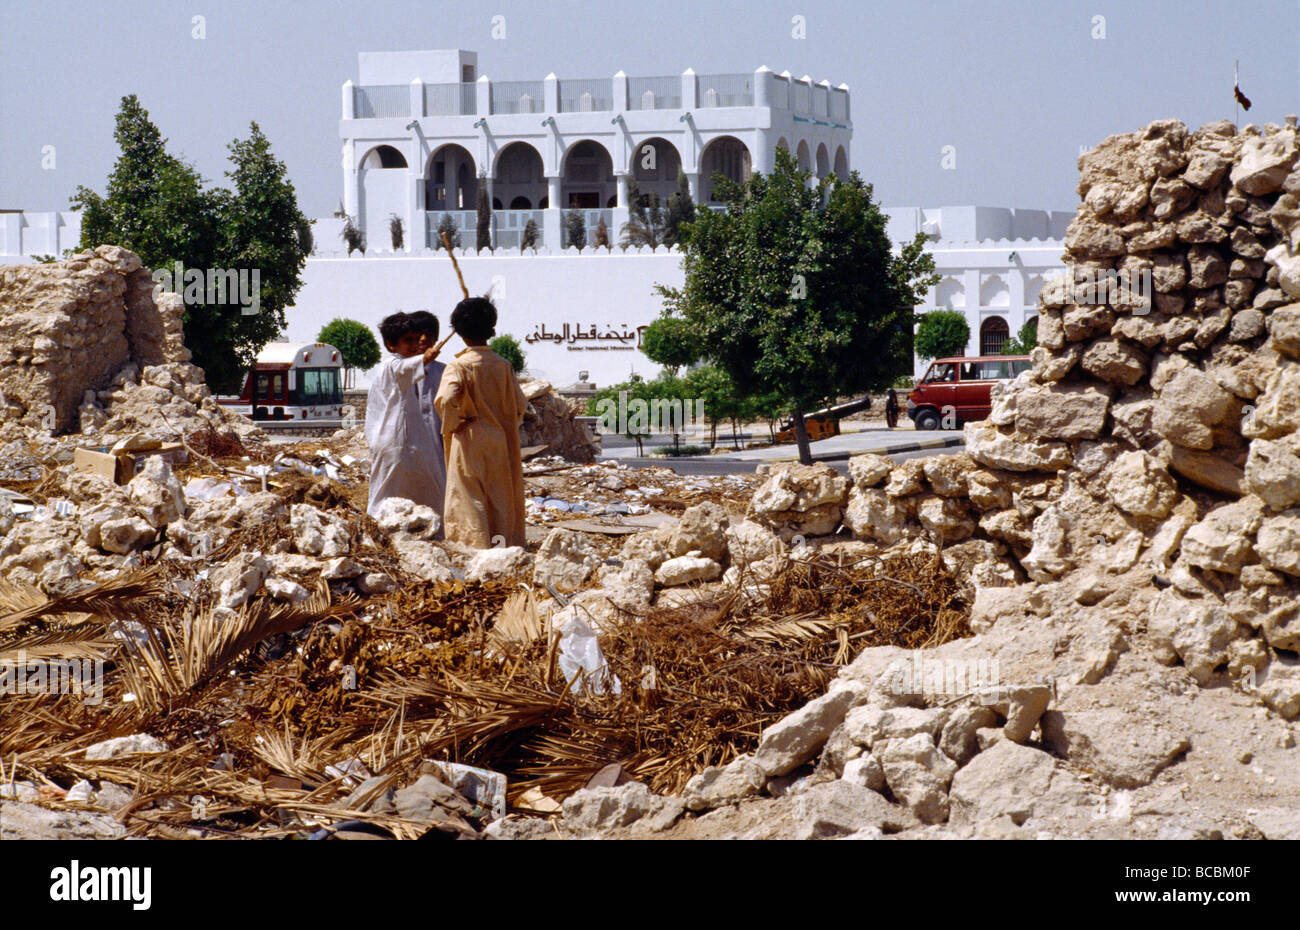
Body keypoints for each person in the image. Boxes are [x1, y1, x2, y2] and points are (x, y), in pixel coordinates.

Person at [435, 297, 528, 549]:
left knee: (468, 497)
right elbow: (520, 405)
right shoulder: (504, 366)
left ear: (460, 332)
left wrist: (457, 420)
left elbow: (446, 399)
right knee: (500, 495)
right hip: (501, 439)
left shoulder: (458, 366)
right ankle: (502, 549)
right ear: (491, 328)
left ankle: (473, 551)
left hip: (470, 437)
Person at [364, 312, 445, 519]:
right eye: (407, 340)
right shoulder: (393, 365)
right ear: (391, 344)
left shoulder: (391, 367)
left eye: (415, 339)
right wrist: (426, 356)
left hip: (400, 442)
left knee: (406, 486)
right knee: (389, 491)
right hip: (396, 442)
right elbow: (408, 366)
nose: (414, 344)